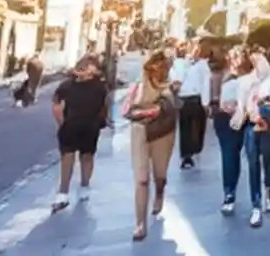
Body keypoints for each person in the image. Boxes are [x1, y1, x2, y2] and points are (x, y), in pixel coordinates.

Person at [121, 50, 178, 241]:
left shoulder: (170, 86)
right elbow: (128, 109)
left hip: (163, 133)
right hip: (140, 132)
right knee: (141, 180)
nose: (157, 72)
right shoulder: (138, 86)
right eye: (154, 67)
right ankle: (140, 223)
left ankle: (160, 192)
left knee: (159, 175)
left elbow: (171, 107)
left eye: (162, 68)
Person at [50, 56, 109, 211]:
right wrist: (63, 123)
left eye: (90, 67)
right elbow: (56, 105)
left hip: (90, 127)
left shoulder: (100, 87)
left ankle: (84, 185)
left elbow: (104, 105)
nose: (86, 69)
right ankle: (63, 193)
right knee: (67, 158)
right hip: (70, 127)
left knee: (87, 157)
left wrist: (101, 121)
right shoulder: (66, 86)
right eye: (83, 66)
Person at [230, 51, 270, 227]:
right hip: (252, 126)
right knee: (253, 164)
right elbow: (241, 106)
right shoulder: (244, 83)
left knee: (269, 161)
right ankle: (256, 204)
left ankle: (269, 194)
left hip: (268, 126)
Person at [212, 47, 248, 215]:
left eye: (238, 57)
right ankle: (229, 192)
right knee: (230, 154)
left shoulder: (246, 77)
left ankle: (230, 192)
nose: (235, 60)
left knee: (232, 153)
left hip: (240, 116)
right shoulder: (218, 75)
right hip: (225, 118)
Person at [177, 42, 211, 168]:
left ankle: (192, 151)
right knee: (187, 127)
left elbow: (205, 84)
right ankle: (187, 153)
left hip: (195, 98)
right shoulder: (182, 64)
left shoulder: (202, 65)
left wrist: (205, 102)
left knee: (195, 127)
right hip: (187, 98)